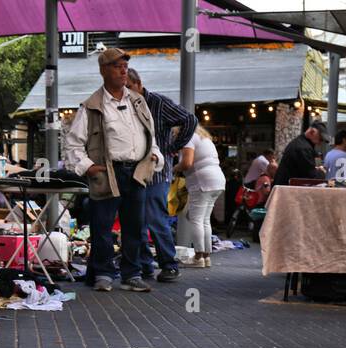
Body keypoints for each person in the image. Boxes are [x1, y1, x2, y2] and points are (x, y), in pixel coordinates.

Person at [63, 48, 164, 293]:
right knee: (102, 226)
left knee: (134, 227)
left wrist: (154, 156)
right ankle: (104, 274)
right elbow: (72, 143)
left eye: (125, 66)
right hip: (107, 172)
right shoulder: (91, 106)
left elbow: (150, 135)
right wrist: (88, 167)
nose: (123, 70)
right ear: (103, 70)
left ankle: (131, 274)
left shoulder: (137, 101)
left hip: (136, 171)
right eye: (117, 66)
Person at [126, 68, 195, 283]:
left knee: (156, 218)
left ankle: (169, 265)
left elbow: (190, 120)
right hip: (134, 171)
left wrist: (174, 147)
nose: (126, 92)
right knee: (137, 221)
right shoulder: (125, 105)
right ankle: (146, 265)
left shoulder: (158, 103)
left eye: (128, 87)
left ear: (138, 84)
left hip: (157, 171)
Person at [175, 126, 227, 268]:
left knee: (196, 219)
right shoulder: (204, 138)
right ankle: (206, 257)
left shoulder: (188, 138)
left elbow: (187, 163)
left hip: (202, 181)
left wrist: (174, 169)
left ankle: (198, 257)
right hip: (217, 179)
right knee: (204, 220)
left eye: (174, 132)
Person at [271, 122, 325, 187]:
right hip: (287, 190)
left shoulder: (301, 143)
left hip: (286, 188)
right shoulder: (303, 148)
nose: (320, 142)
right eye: (320, 138)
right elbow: (311, 176)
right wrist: (322, 172)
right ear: (312, 132)